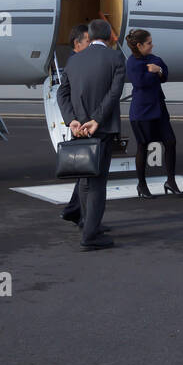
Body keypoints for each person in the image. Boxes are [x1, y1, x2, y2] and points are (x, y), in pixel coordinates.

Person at [56, 18, 125, 250]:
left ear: (91, 35)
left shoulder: (74, 60)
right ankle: (90, 236)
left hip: (79, 129)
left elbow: (62, 94)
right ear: (108, 36)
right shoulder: (116, 58)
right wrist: (97, 119)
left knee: (85, 180)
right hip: (101, 128)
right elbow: (114, 94)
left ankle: (89, 224)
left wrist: (73, 120)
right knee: (97, 183)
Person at [124, 28, 183, 198]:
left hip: (159, 110)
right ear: (139, 45)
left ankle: (170, 181)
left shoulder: (154, 60)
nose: (152, 45)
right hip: (142, 111)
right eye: (149, 43)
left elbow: (165, 75)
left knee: (170, 142)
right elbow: (140, 83)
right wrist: (154, 72)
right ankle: (142, 185)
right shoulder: (132, 62)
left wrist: (158, 70)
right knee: (143, 147)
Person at [60, 24, 91, 225]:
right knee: (88, 175)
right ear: (77, 44)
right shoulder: (76, 62)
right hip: (83, 125)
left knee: (85, 173)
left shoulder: (78, 61)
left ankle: (74, 211)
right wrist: (73, 120)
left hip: (81, 123)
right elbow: (64, 93)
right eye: (88, 41)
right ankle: (82, 217)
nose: (92, 45)